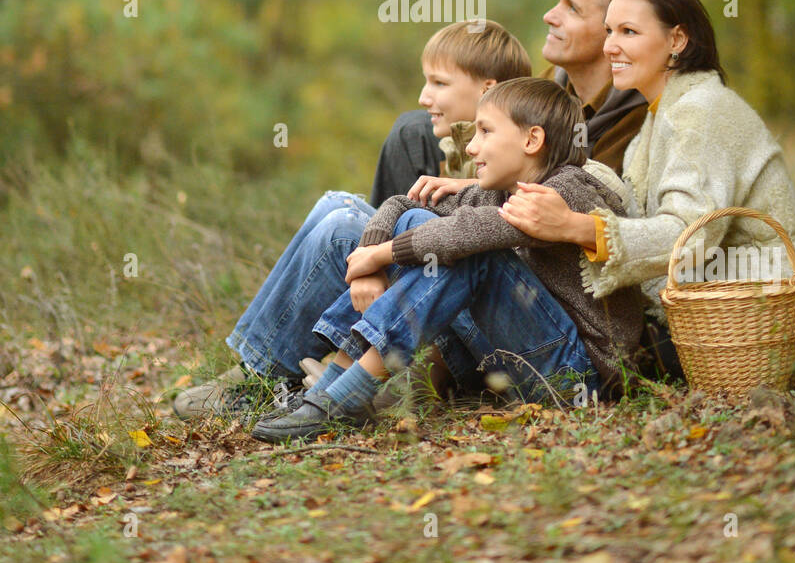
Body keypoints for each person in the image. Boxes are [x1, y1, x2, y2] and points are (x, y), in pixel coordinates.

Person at [172, 20, 532, 421]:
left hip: (471, 340)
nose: (424, 95)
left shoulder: (511, 159)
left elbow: (475, 246)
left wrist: (377, 259)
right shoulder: (458, 149)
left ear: (487, 89)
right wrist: (371, 263)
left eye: (439, 83)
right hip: (443, 310)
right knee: (336, 205)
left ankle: (259, 379)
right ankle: (264, 376)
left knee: (341, 223)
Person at [252, 78, 644, 443]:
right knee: (417, 221)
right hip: (518, 356)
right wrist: (366, 259)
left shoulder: (564, 191)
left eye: (486, 132)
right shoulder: (502, 190)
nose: (471, 147)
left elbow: (470, 233)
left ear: (532, 139)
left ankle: (342, 397)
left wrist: (381, 253)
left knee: (471, 255)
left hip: (576, 377)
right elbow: (404, 202)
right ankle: (330, 394)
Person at [498, 0, 795, 368]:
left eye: (629, 32)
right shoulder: (660, 116)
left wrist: (573, 227)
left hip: (755, 326)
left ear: (677, 40)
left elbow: (689, 236)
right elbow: (628, 205)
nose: (611, 46)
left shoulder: (703, 111)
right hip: (705, 309)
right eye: (609, 31)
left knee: (520, 300)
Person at [369, 0, 647, 204]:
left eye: (572, 9)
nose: (549, 16)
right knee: (413, 130)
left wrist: (465, 186)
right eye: (558, 2)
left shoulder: (635, 117)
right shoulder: (549, 82)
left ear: (612, 27)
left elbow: (580, 195)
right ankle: (382, 240)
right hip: (499, 191)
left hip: (534, 233)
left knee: (340, 226)